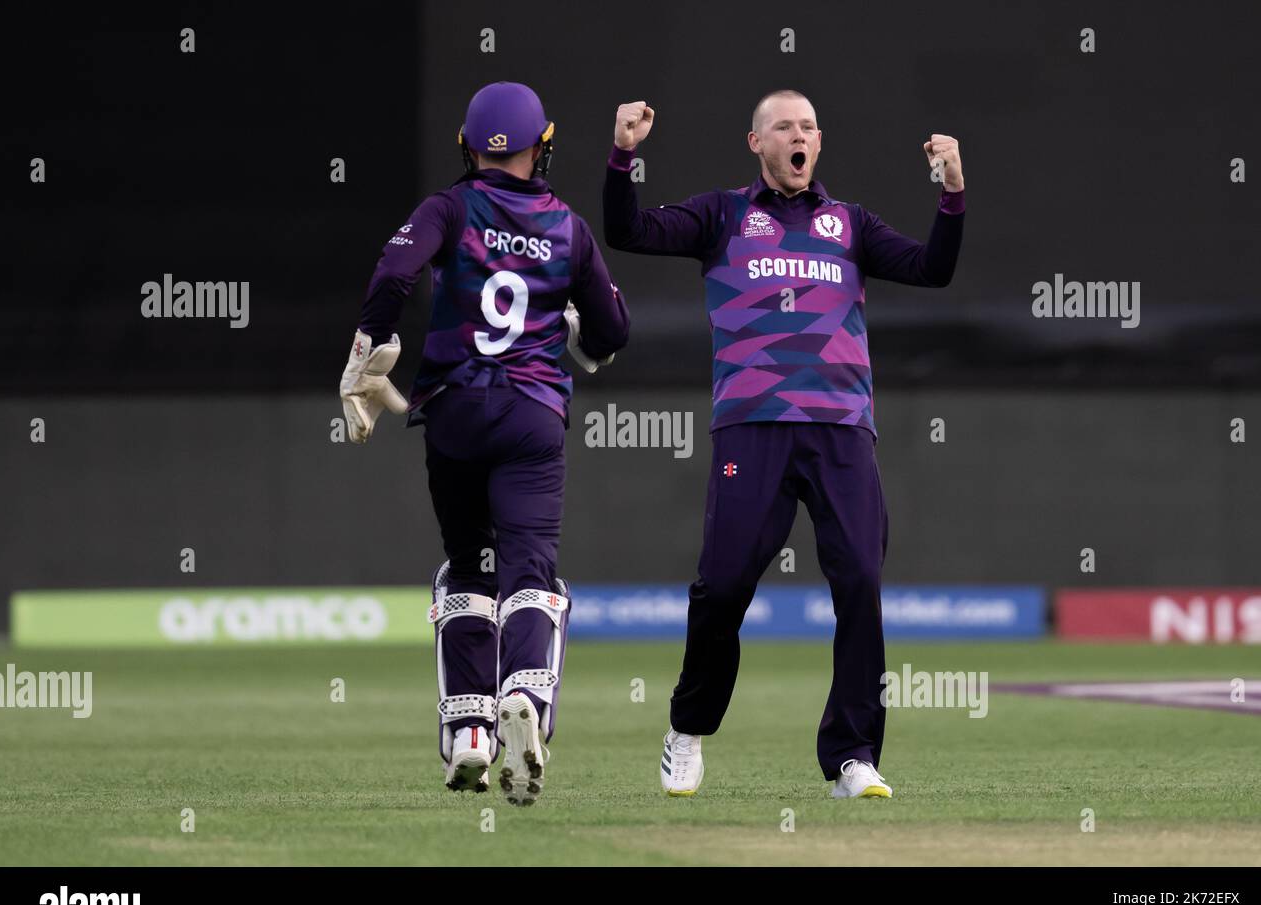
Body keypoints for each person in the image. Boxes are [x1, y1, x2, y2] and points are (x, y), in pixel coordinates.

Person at [603, 90, 965, 799]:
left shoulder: (849, 225)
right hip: (752, 425)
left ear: (819, 143)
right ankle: (688, 727)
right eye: (784, 128)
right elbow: (628, 232)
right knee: (725, 584)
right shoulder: (722, 216)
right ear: (756, 142)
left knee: (860, 583)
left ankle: (853, 757)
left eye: (808, 128)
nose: (798, 137)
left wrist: (952, 193)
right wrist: (623, 155)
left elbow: (933, 270)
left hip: (841, 432)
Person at [340, 81, 629, 805]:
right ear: (545, 142)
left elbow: (394, 273)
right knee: (532, 573)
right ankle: (526, 696)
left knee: (469, 567)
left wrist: (368, 348)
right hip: (532, 414)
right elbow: (613, 333)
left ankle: (470, 730)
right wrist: (577, 334)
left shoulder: (450, 206)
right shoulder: (566, 226)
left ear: (468, 146)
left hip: (455, 411)